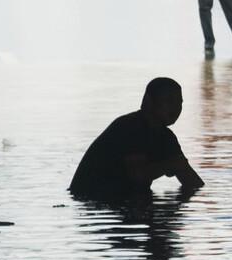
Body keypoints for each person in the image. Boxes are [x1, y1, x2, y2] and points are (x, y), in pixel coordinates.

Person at [69, 77, 205, 201]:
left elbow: (193, 182)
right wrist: (170, 165)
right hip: (93, 198)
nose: (176, 108)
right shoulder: (129, 127)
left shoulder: (166, 137)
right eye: (169, 101)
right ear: (148, 101)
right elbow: (137, 175)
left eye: (179, 103)